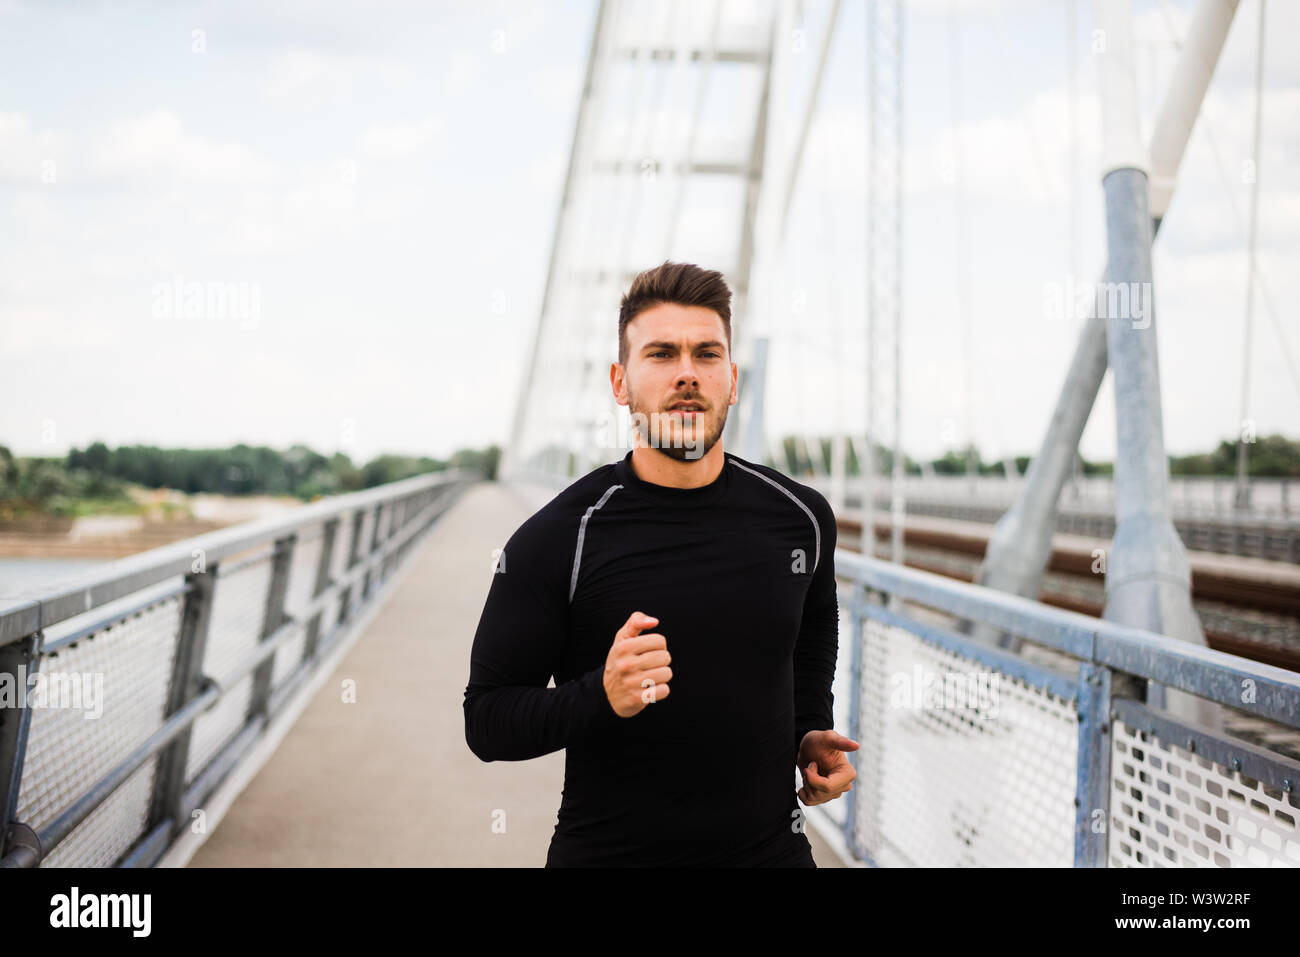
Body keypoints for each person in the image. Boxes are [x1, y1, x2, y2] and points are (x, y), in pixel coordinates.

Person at [463, 260, 858, 866]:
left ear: (732, 377)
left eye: (706, 354)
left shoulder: (801, 518)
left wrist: (809, 731)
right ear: (620, 383)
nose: (686, 375)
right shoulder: (560, 537)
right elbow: (486, 721)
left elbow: (810, 637)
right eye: (661, 354)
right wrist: (600, 694)